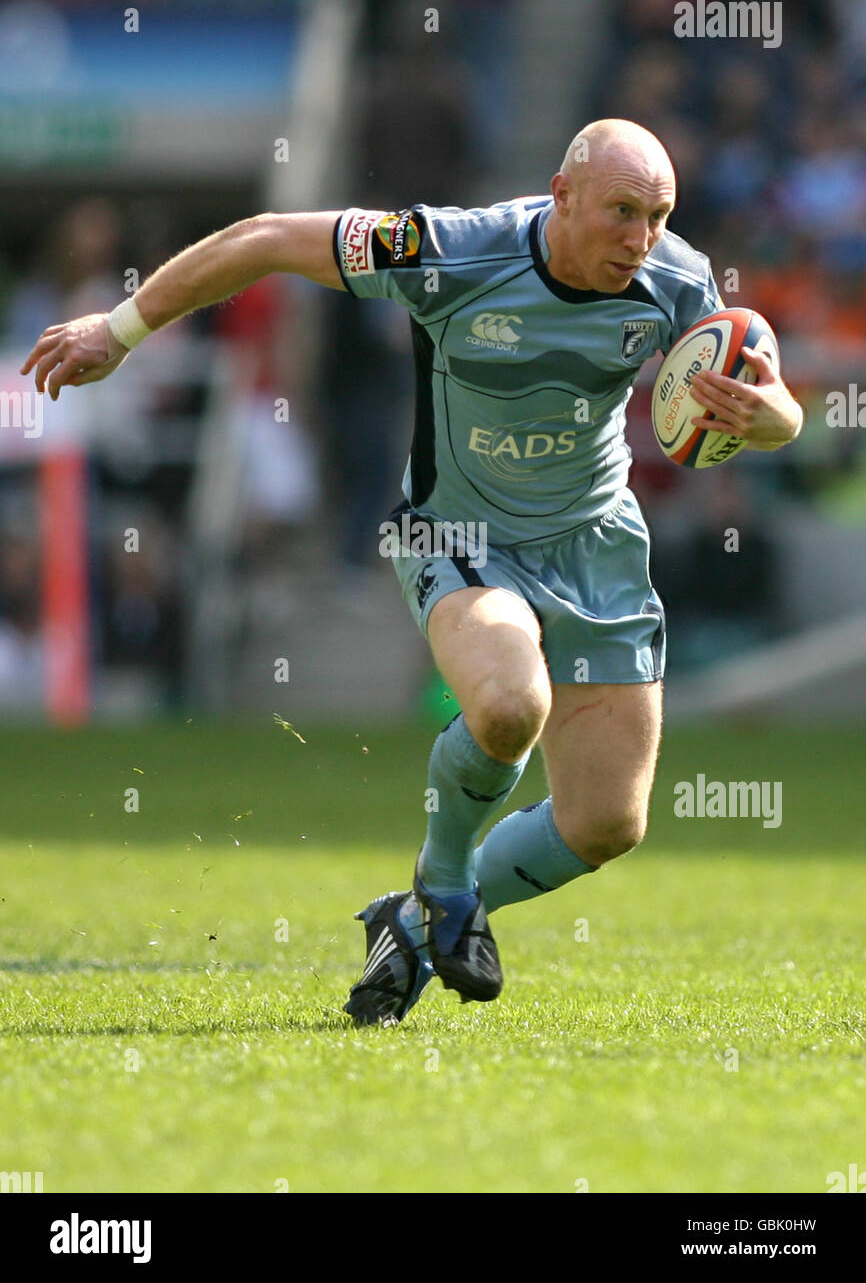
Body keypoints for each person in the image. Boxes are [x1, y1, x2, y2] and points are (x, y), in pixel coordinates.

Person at [22, 118, 803, 1025]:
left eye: (657, 215)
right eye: (621, 212)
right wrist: (119, 330)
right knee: (510, 705)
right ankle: (445, 890)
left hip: (598, 544)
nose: (640, 237)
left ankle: (409, 927)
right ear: (561, 195)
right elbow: (267, 238)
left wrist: (765, 416)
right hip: (455, 533)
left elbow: (779, 407)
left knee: (605, 825)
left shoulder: (676, 277)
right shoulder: (450, 251)